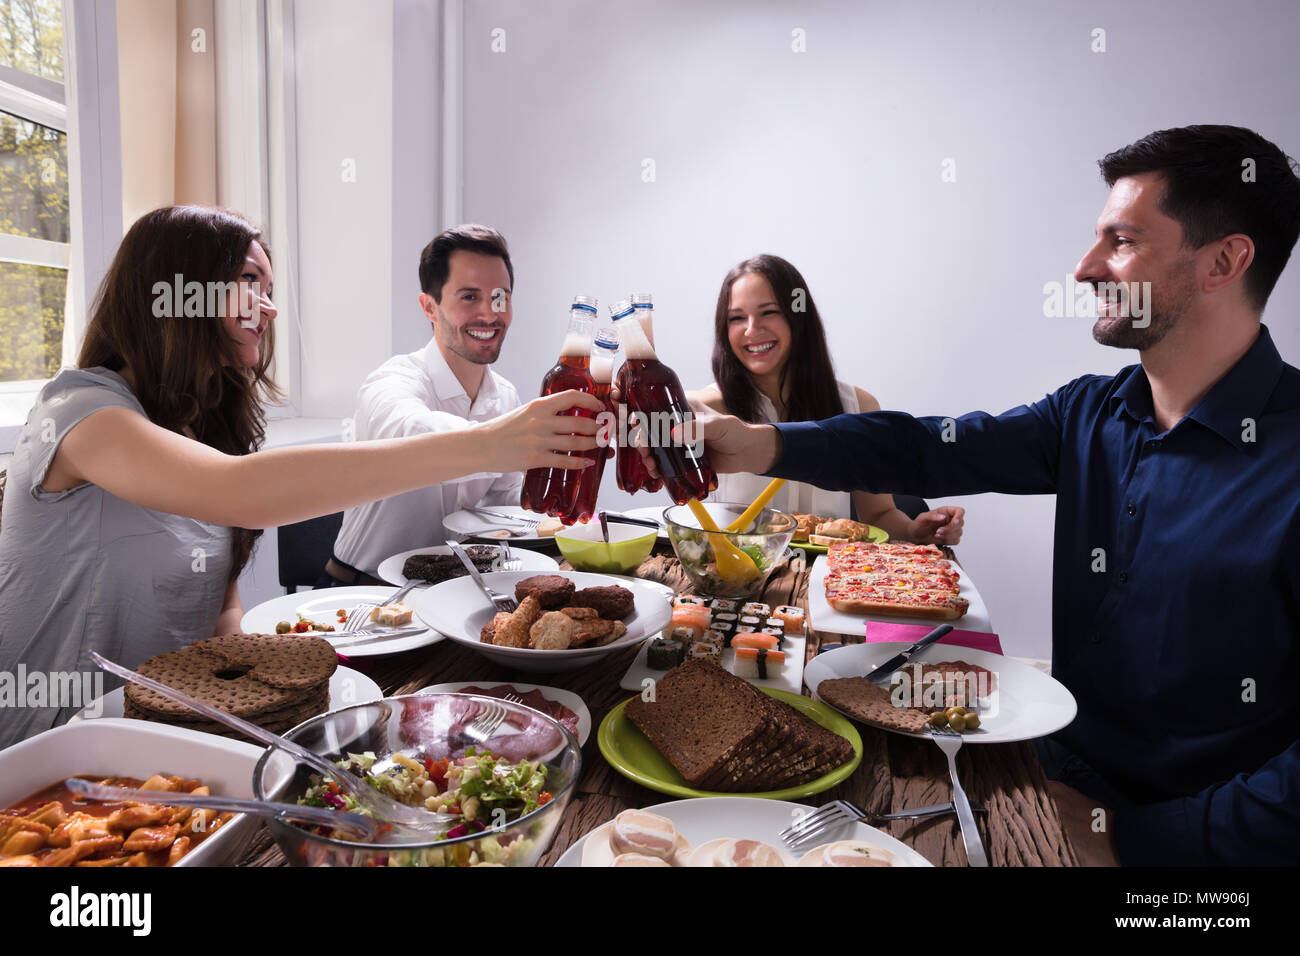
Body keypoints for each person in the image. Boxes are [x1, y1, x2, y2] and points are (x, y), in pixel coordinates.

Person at [667, 126, 1300, 865]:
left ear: (1225, 260)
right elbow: (923, 443)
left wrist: (1128, 840)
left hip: (1195, 848)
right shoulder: (1090, 412)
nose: (1085, 266)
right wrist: (764, 444)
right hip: (1048, 769)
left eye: (1121, 242)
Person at [0, 205, 602, 749]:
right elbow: (242, 493)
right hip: (59, 750)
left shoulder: (204, 429)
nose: (270, 306)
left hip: (181, 737)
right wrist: (488, 444)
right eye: (247, 283)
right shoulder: (79, 415)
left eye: (269, 286)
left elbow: (222, 619)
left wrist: (291, 706)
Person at [689, 255, 964, 545]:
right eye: (736, 318)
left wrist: (912, 531)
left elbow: (879, 515)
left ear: (799, 315)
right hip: (736, 577)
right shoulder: (712, 406)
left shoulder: (859, 406)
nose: (751, 328)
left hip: (832, 577)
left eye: (768, 312)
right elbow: (682, 409)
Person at [325, 225, 525, 585]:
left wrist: (568, 475)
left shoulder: (505, 397)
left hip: (451, 590)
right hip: (362, 591)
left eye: (500, 297)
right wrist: (516, 440)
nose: (490, 313)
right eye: (468, 297)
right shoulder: (392, 381)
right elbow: (411, 433)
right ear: (429, 307)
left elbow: (504, 500)